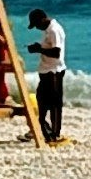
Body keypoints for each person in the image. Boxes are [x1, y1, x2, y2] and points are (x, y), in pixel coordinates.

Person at [25, 8, 68, 143]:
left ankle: (55, 133)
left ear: (43, 20)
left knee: (54, 103)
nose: (37, 28)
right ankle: (42, 128)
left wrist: (39, 50)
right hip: (45, 70)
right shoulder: (47, 30)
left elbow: (56, 53)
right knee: (42, 101)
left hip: (54, 71)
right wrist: (39, 47)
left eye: (37, 25)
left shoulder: (54, 30)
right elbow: (48, 48)